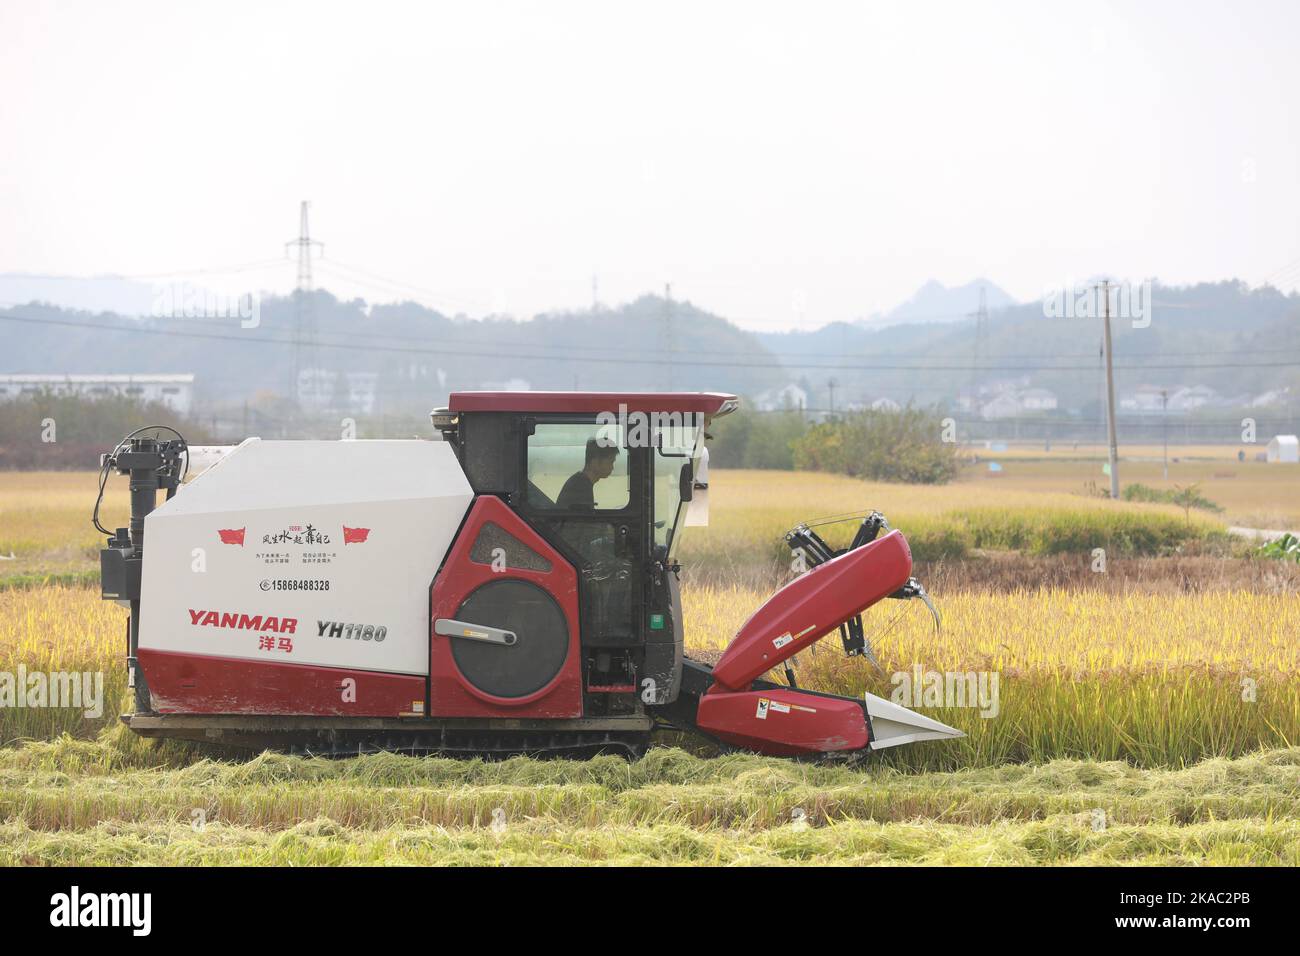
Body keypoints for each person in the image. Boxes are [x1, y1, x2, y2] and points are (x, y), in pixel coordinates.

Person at [556, 439, 619, 510]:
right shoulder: (580, 487)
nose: (612, 467)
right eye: (610, 462)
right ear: (594, 462)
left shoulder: (580, 482)